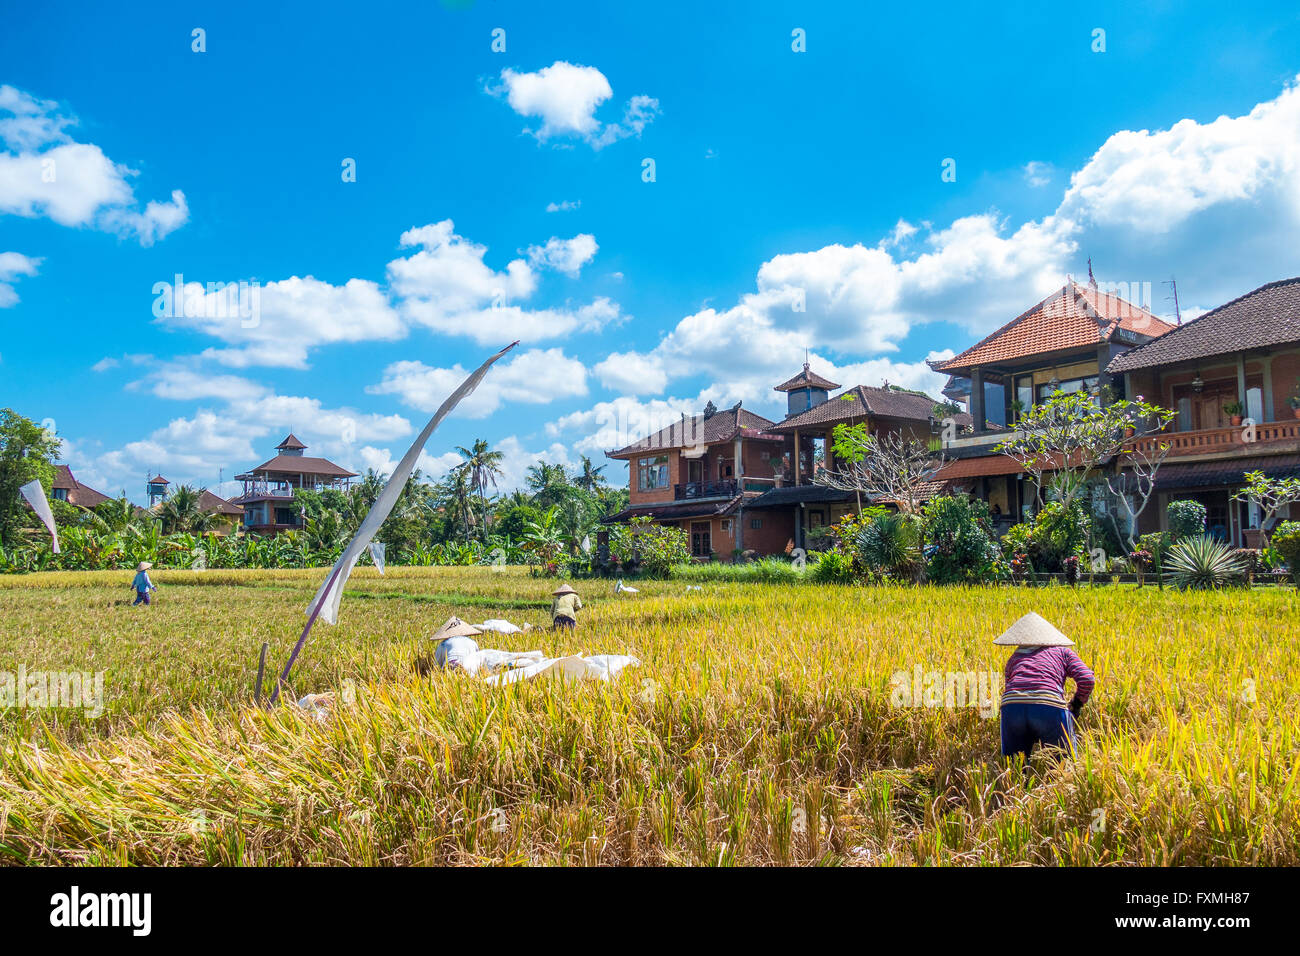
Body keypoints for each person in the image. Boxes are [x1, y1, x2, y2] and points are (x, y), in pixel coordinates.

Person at [995, 612, 1094, 760]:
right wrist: (1076, 704)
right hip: (1048, 705)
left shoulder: (1014, 659)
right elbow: (1087, 679)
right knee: (1063, 767)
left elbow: (1010, 687)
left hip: (1012, 706)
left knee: (1014, 770)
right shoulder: (1063, 652)